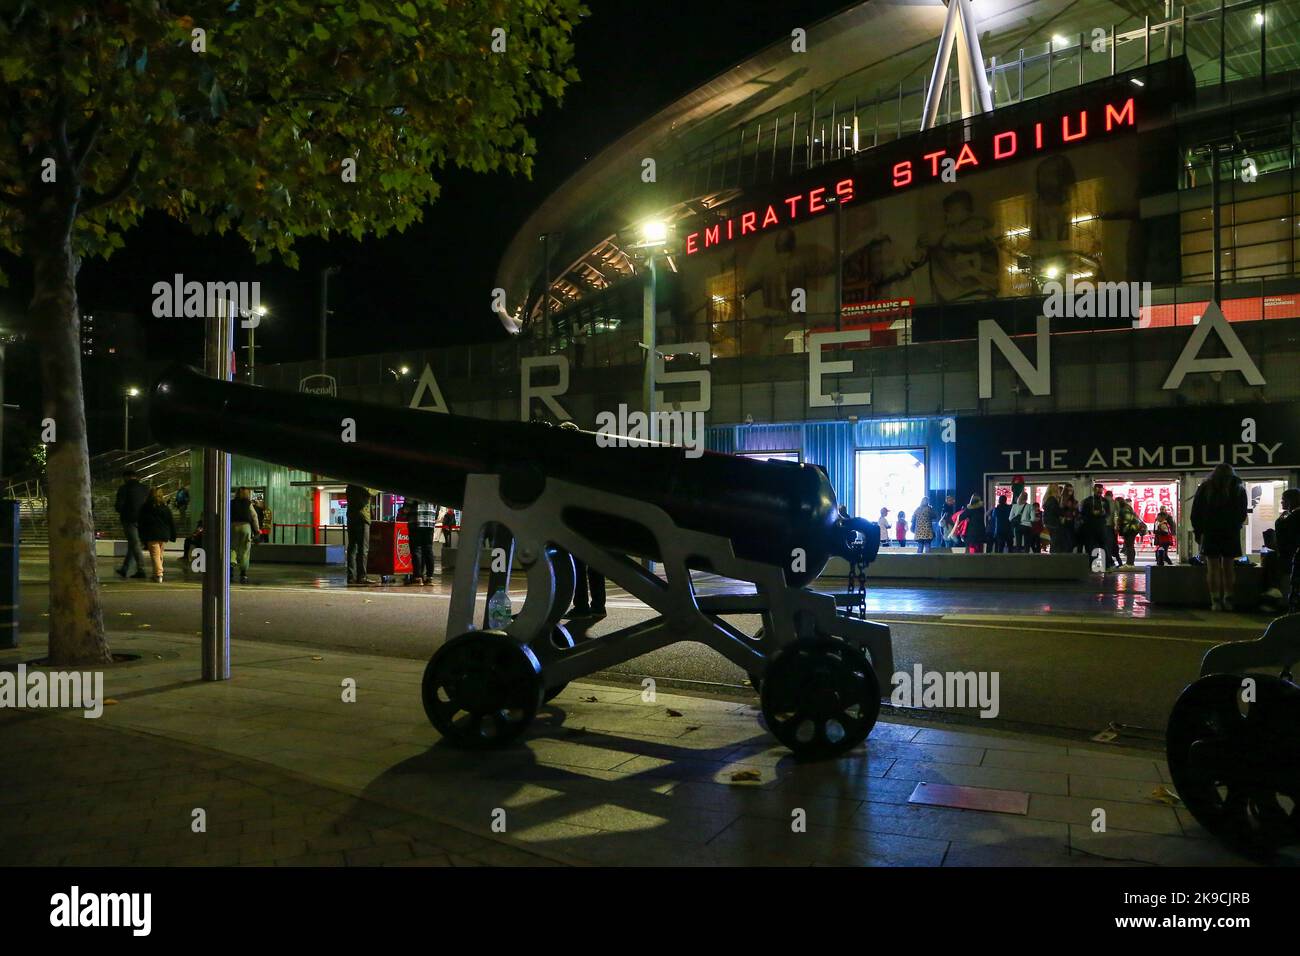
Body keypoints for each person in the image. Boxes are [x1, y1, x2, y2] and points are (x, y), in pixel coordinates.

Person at [1190, 463, 1249, 611]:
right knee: (1229, 567)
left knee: (1212, 567)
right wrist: (1235, 525)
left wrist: (1199, 532)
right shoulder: (1238, 489)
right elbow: (1242, 513)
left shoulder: (1205, 488)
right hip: (1230, 532)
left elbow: (1195, 512)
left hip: (1211, 532)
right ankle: (1228, 599)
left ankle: (1215, 600)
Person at [114, 469, 149, 580]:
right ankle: (125, 568)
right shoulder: (145, 488)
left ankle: (141, 569)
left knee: (135, 544)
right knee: (133, 544)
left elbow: (119, 506)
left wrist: (123, 511)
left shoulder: (124, 488)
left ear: (126, 477)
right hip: (143, 519)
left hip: (129, 519)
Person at [138, 488, 177, 583]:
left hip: (152, 534)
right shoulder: (165, 507)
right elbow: (170, 521)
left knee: (155, 555)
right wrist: (173, 534)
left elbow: (141, 522)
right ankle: (156, 574)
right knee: (160, 555)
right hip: (163, 534)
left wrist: (141, 535)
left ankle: (159, 574)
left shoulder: (146, 507)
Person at [1274, 489, 1300, 611]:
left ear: (1290, 501)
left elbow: (1283, 537)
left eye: (1283, 499)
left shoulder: (1292, 517)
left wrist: (1279, 521)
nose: (1281, 502)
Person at [1079, 482, 1115, 569]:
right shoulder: (1088, 501)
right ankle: (1093, 564)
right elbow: (1083, 513)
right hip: (1091, 527)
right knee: (1091, 546)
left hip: (1100, 526)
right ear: (1094, 490)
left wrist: (1102, 514)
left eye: (1100, 490)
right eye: (1097, 490)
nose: (1099, 492)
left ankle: (1106, 564)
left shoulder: (1104, 501)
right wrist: (1092, 514)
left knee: (1103, 545)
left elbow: (1108, 513)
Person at [230, 486, 261, 585]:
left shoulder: (231, 503)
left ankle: (231, 566)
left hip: (233, 526)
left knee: (232, 547)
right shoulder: (248, 503)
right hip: (245, 527)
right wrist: (257, 530)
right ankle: (243, 573)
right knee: (245, 550)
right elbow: (254, 516)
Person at [345, 484, 375, 585]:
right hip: (362, 518)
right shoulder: (363, 484)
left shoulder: (349, 486)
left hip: (351, 517)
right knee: (363, 549)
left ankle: (350, 577)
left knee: (352, 547)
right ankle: (362, 576)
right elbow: (373, 491)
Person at [407, 498, 439, 585]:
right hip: (429, 521)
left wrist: (404, 511)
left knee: (416, 548)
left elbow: (408, 502)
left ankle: (418, 577)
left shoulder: (417, 486)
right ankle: (429, 578)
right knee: (428, 549)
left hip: (416, 520)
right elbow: (438, 504)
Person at [1114, 497, 1145, 569]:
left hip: (1130, 530)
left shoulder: (1124, 509)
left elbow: (1127, 521)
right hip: (1132, 529)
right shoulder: (1126, 508)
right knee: (1130, 546)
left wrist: (1121, 528)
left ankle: (1130, 564)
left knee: (1129, 546)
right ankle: (1130, 563)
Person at [1042, 483, 1064, 553]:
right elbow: (1057, 512)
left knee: (1049, 543)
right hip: (1054, 524)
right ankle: (1053, 560)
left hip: (1047, 524)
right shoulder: (1053, 500)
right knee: (1055, 544)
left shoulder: (1046, 499)